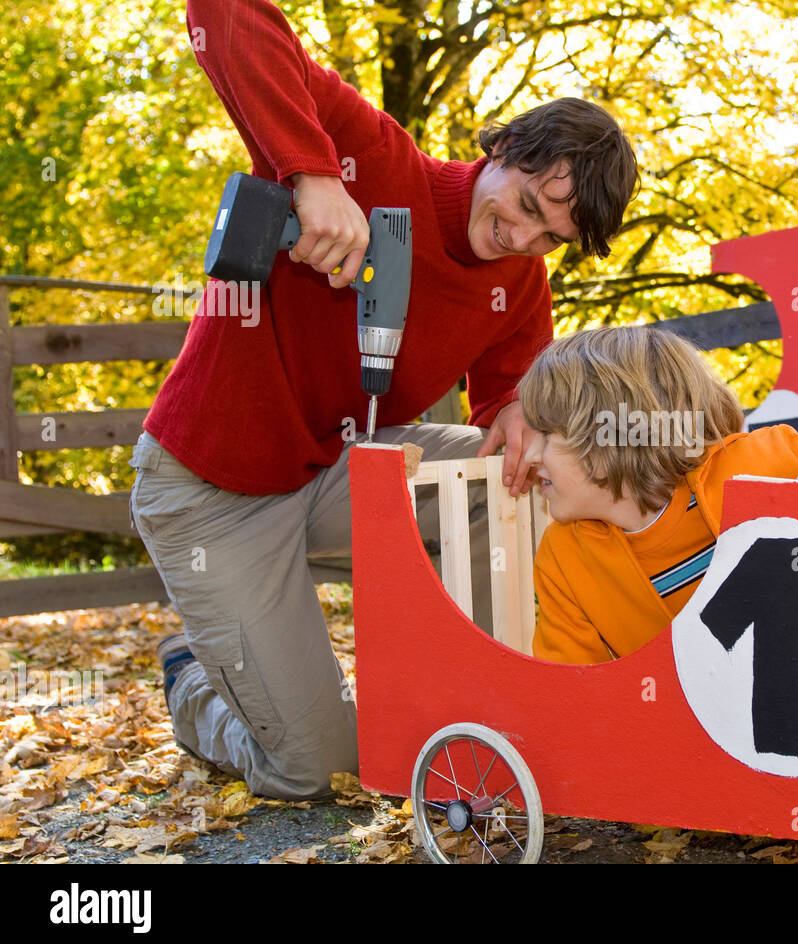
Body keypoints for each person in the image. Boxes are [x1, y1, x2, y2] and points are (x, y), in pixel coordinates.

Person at [132, 0, 638, 798]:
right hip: (210, 494)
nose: (522, 239)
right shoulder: (366, 151)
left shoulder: (519, 283)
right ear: (502, 149)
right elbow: (223, 13)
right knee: (316, 768)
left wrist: (519, 414)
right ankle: (194, 683)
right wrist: (313, 173)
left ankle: (478, 699)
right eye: (527, 206)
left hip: (329, 475)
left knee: (508, 470)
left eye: (551, 238)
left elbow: (506, 409)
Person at [518, 326, 798, 664]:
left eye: (548, 435)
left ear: (620, 435)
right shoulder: (563, 556)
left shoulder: (757, 463)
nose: (529, 455)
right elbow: (570, 690)